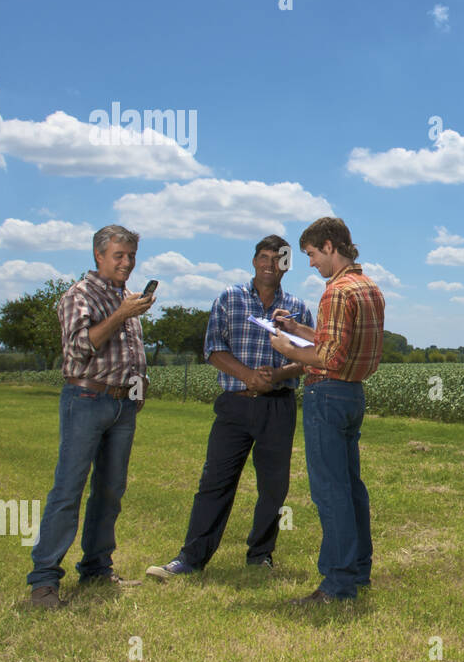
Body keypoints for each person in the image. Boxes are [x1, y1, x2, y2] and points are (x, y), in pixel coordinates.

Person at [146, 236, 313, 581]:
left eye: (278, 259)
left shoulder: (297, 308)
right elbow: (213, 349)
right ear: (254, 261)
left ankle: (260, 556)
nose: (270, 264)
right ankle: (191, 558)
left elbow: (310, 357)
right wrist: (249, 376)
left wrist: (278, 373)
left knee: (274, 487)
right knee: (215, 482)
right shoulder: (229, 298)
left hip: (277, 407)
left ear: (286, 265)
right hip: (234, 407)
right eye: (264, 257)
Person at [28, 224, 154, 609]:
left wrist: (138, 386)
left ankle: (97, 566)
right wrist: (121, 313)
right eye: (119, 255)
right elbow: (82, 346)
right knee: (69, 490)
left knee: (111, 490)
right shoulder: (78, 295)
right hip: (86, 398)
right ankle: (45, 581)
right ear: (98, 255)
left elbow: (127, 352)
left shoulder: (124, 298)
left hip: (122, 404)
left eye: (131, 256)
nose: (127, 263)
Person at [269, 217, 384, 604]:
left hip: (327, 394)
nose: (312, 263)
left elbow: (328, 356)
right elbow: (339, 342)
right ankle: (358, 570)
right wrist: (298, 329)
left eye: (313, 254)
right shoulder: (369, 288)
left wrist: (287, 350)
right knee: (351, 487)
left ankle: (336, 584)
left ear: (330, 246)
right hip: (352, 396)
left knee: (329, 492)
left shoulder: (335, 292)